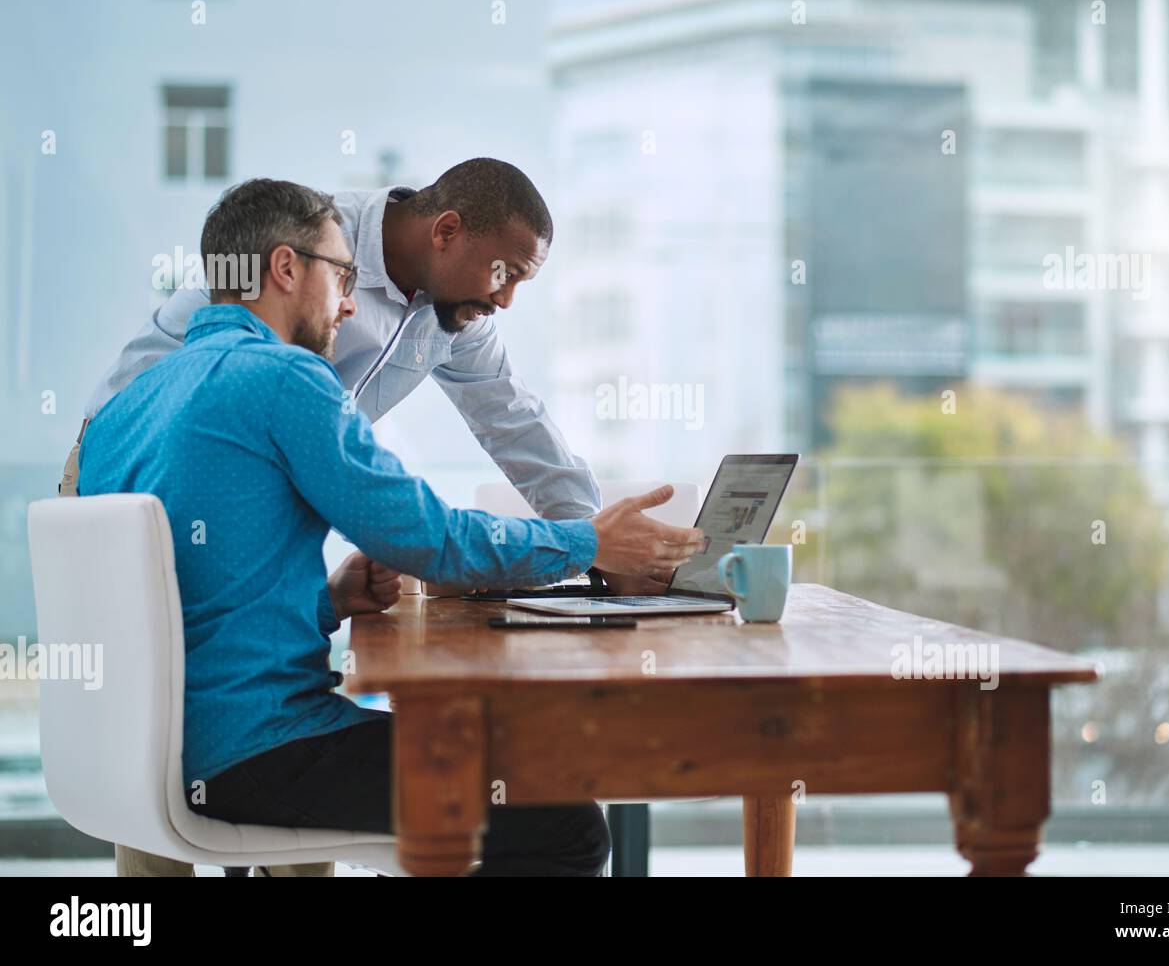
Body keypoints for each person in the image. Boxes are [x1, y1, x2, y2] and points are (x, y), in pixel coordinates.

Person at [77, 178, 705, 876]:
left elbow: (185, 604)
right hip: (260, 749)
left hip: (155, 751)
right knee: (564, 823)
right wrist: (588, 542)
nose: (351, 305)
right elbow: (434, 540)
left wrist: (328, 602)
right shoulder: (286, 378)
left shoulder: (123, 411)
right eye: (341, 279)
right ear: (286, 269)